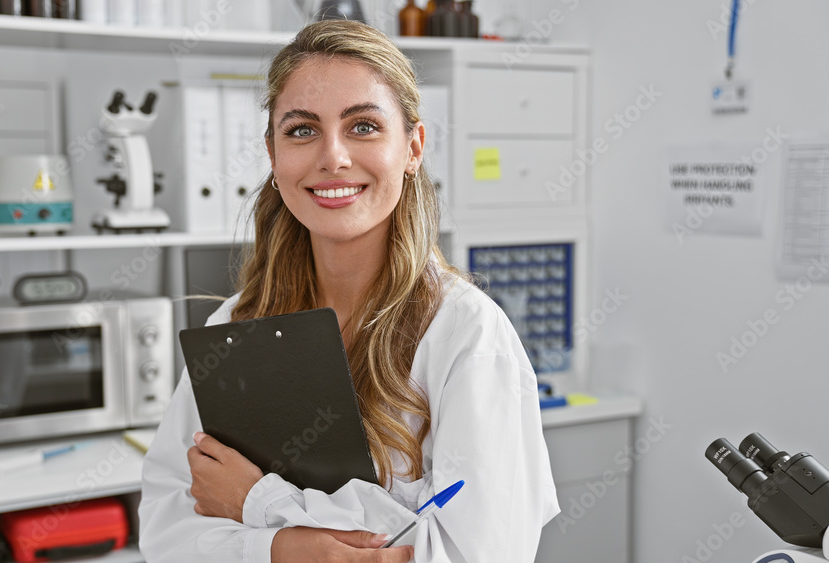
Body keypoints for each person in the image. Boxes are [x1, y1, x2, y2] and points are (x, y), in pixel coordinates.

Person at [139, 19, 559, 563]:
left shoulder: (465, 334)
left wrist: (257, 505)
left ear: (412, 147)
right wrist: (304, 548)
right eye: (302, 130)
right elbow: (167, 532)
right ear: (272, 155)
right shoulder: (236, 326)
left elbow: (477, 556)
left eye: (363, 126)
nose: (332, 157)